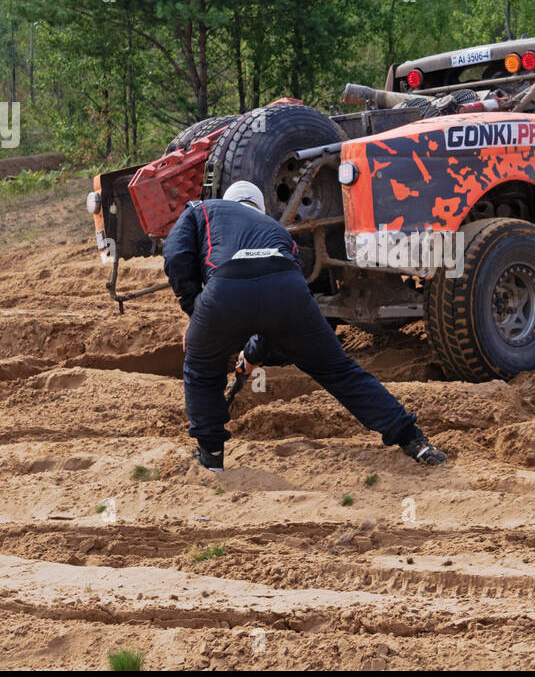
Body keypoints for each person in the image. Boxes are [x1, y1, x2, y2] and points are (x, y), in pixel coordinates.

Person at [163, 180, 447, 472]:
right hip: (286, 289)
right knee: (340, 371)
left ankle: (211, 458)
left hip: (225, 289)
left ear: (227, 201)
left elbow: (174, 254)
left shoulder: (201, 210)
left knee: (201, 371)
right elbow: (274, 310)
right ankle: (414, 441)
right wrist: (252, 354)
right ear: (260, 209)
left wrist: (193, 309)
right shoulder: (276, 231)